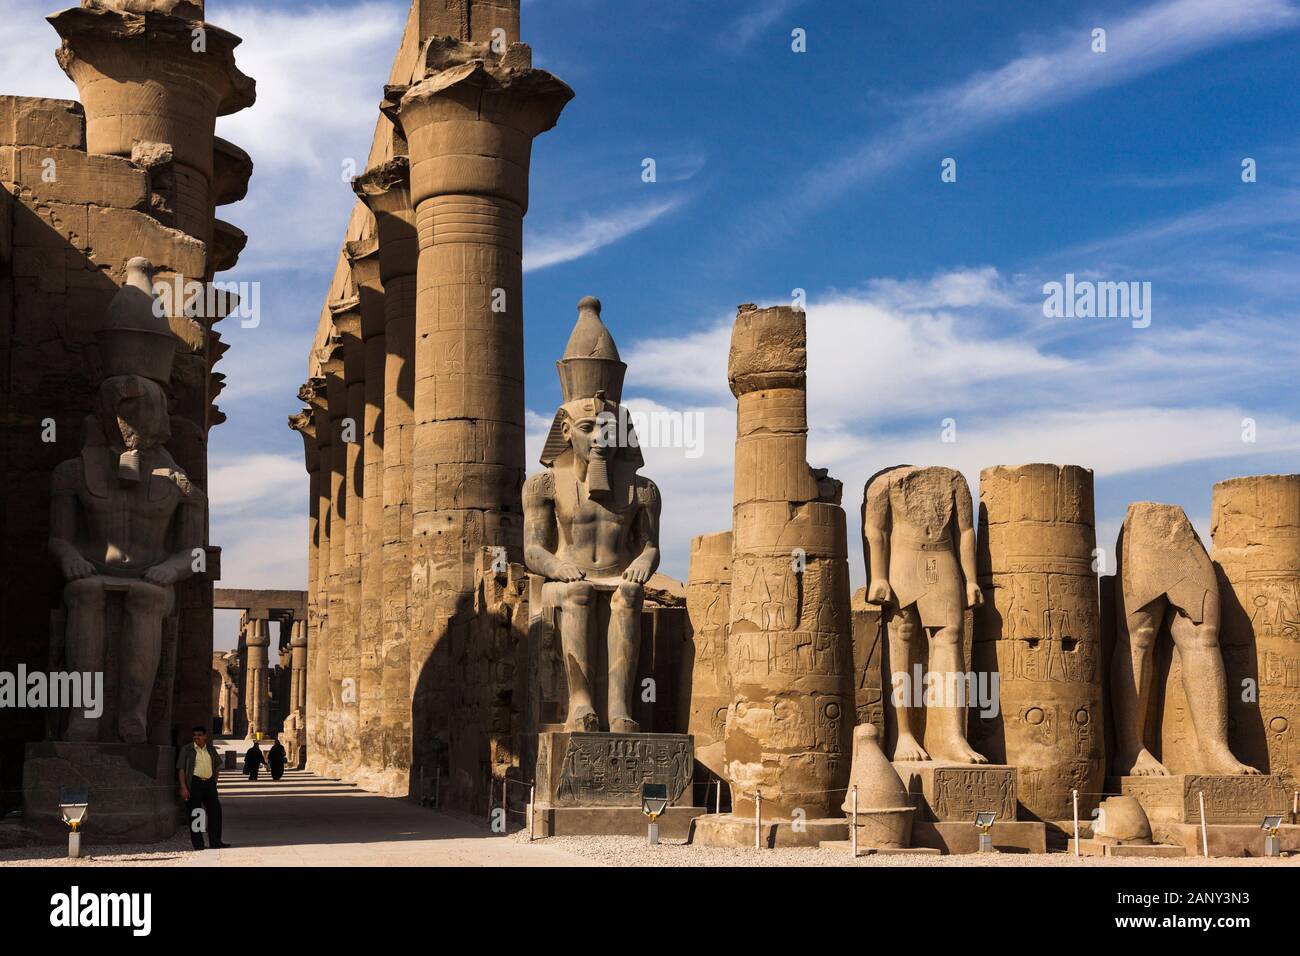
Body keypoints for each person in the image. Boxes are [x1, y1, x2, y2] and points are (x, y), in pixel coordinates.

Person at [176, 725, 229, 850]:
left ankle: (215, 842)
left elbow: (217, 766)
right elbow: (181, 769)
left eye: (199, 735)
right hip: (194, 783)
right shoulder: (187, 750)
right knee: (196, 813)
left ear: (205, 736)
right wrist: (183, 787)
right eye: (195, 735)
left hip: (209, 783)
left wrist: (214, 781)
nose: (196, 737)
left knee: (215, 812)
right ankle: (198, 844)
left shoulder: (210, 749)